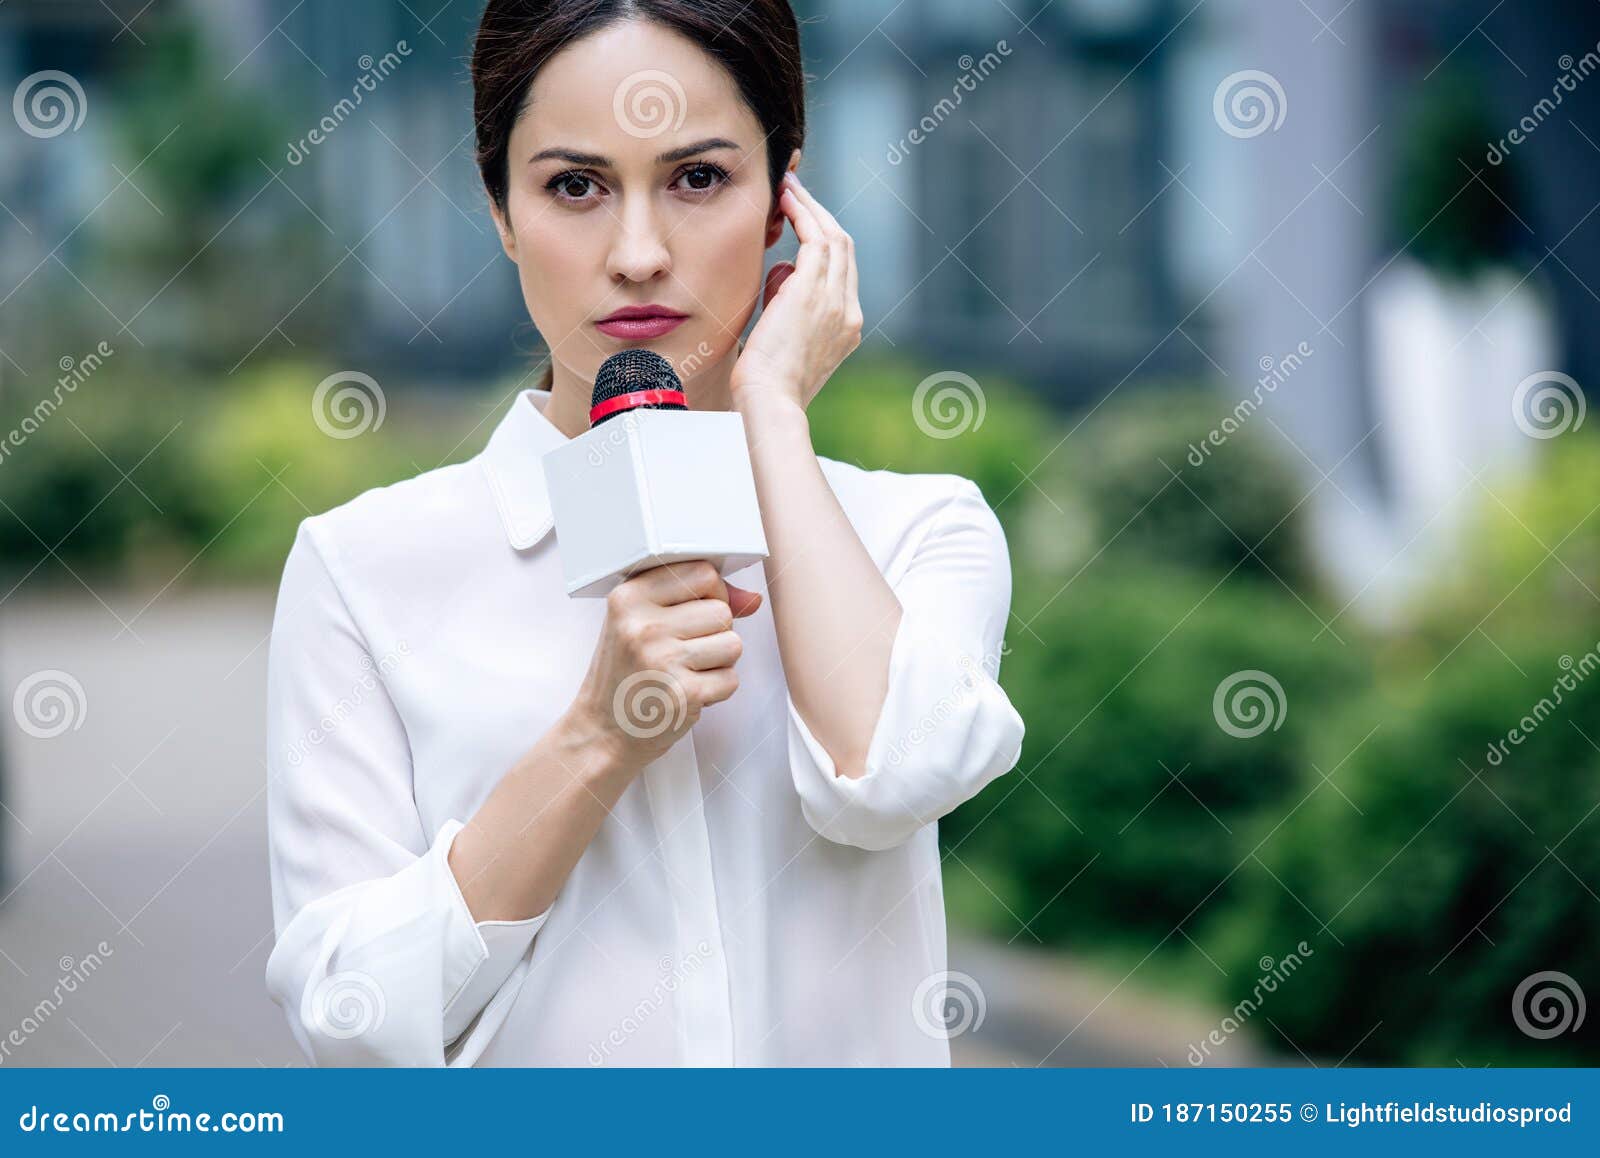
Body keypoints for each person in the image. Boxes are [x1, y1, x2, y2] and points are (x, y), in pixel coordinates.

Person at [264, 0, 1025, 1066]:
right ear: (498, 206)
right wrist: (596, 738)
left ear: (783, 204)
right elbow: (345, 1016)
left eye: (698, 178)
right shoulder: (364, 570)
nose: (635, 254)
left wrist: (770, 408)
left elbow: (894, 775)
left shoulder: (914, 528)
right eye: (574, 186)